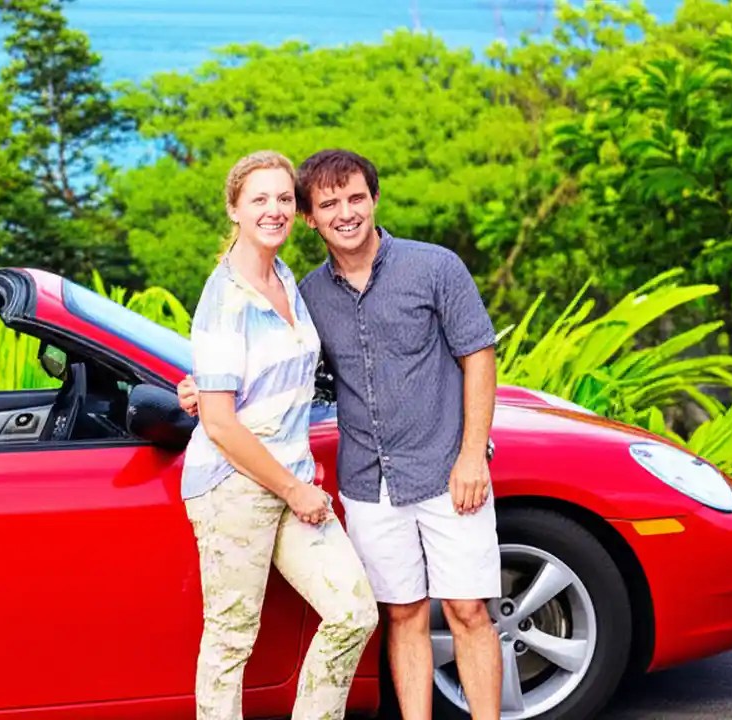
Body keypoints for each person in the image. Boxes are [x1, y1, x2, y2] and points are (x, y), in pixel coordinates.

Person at [178, 149, 503, 720]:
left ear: (374, 198)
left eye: (356, 198)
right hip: (339, 483)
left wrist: (474, 451)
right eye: (328, 204)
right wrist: (205, 389)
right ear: (313, 217)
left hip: (443, 470)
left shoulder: (422, 269)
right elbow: (251, 388)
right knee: (390, 614)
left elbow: (477, 352)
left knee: (453, 610)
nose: (345, 213)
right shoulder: (289, 292)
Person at [181, 149, 378, 720]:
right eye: (259, 199)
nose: (274, 210)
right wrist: (294, 491)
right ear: (235, 210)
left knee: (353, 613)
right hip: (233, 486)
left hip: (290, 476)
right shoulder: (224, 300)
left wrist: (198, 383)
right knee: (230, 637)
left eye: (284, 199)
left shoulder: (285, 280)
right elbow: (219, 423)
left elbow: (274, 380)